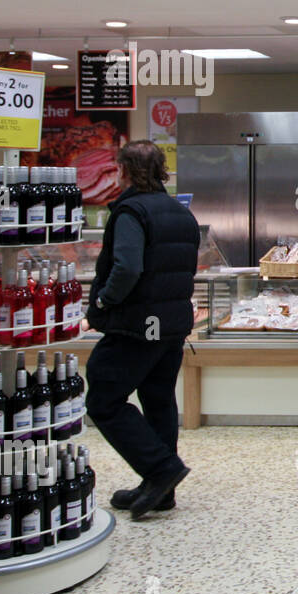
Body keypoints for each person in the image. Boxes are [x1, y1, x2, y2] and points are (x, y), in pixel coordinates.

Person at [84, 141, 200, 520]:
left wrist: (103, 302)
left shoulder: (131, 211)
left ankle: (159, 469)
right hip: (173, 326)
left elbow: (128, 268)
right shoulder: (180, 213)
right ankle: (161, 491)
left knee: (103, 397)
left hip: (137, 325)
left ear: (125, 171)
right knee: (159, 399)